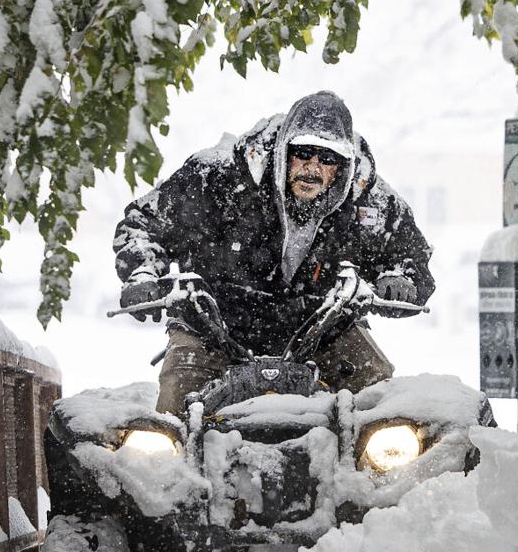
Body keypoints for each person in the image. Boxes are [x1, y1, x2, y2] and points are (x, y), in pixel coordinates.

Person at [113, 90, 434, 413]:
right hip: (211, 331)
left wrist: (402, 278)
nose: (312, 167)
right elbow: (143, 223)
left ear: (343, 166)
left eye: (327, 159)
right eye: (303, 153)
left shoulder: (369, 202)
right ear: (283, 150)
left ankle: (379, 462)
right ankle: (175, 462)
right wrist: (142, 272)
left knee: (382, 407)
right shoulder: (217, 177)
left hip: (325, 332)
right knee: (173, 419)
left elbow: (411, 255)